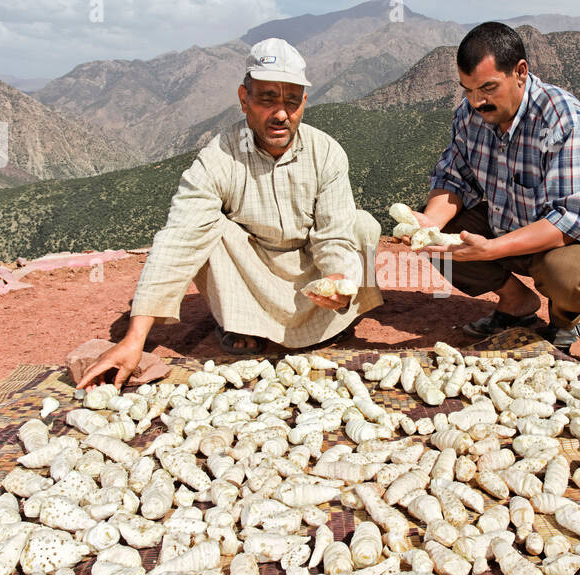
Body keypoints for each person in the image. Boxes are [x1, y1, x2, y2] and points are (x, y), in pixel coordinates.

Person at [75, 37, 382, 388]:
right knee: (209, 230)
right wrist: (134, 339)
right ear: (244, 100)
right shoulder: (218, 157)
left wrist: (339, 278)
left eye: (291, 101)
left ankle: (333, 320)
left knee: (362, 225)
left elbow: (333, 235)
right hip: (253, 270)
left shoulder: (327, 152)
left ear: (303, 103)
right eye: (267, 98)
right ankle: (241, 323)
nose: (281, 113)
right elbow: (180, 236)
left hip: (310, 267)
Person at [406, 22, 580, 352]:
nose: (476, 101)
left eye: (487, 88)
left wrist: (491, 250)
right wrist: (430, 225)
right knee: (438, 242)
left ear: (520, 73)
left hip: (572, 237)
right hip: (507, 224)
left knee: (566, 273)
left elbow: (570, 219)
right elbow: (453, 179)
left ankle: (565, 322)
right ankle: (515, 303)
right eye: (467, 90)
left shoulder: (562, 118)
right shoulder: (469, 116)